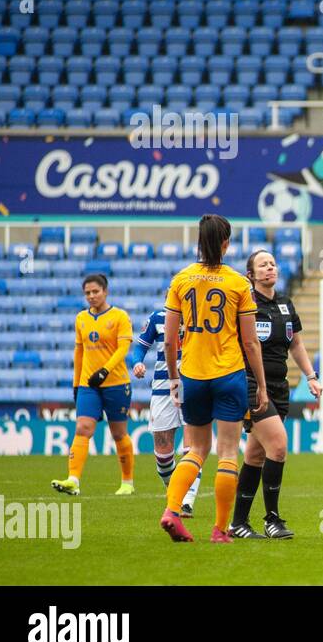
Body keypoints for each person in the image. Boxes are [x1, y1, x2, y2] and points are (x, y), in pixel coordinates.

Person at [158, 214, 269, 544]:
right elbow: (250, 342)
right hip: (229, 375)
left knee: (195, 449)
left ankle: (172, 511)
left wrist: (175, 379)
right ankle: (220, 530)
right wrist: (261, 385)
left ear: (198, 241)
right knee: (228, 452)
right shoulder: (238, 284)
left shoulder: (181, 280)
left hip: (192, 375)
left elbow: (168, 340)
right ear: (225, 243)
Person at [229, 250, 323, 540]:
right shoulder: (245, 305)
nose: (270, 268)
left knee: (256, 455)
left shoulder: (285, 304)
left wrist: (310, 376)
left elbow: (295, 344)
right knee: (279, 446)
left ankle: (238, 524)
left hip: (280, 388)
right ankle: (272, 519)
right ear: (251, 275)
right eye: (262, 265)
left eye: (272, 263)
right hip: (252, 386)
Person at [52, 274, 135, 496]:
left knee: (119, 433)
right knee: (82, 428)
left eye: (95, 292)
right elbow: (79, 352)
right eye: (87, 293)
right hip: (88, 384)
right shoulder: (81, 319)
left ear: (105, 291)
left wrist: (105, 370)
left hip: (116, 383)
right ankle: (73, 480)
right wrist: (76, 383)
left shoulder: (120, 317)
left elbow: (123, 349)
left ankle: (127, 482)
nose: (91, 296)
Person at [128, 305, 203, 515]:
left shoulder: (200, 315)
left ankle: (186, 501)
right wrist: (137, 363)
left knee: (193, 447)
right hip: (163, 388)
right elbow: (141, 346)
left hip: (193, 383)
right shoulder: (157, 317)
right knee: (162, 453)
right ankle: (175, 493)